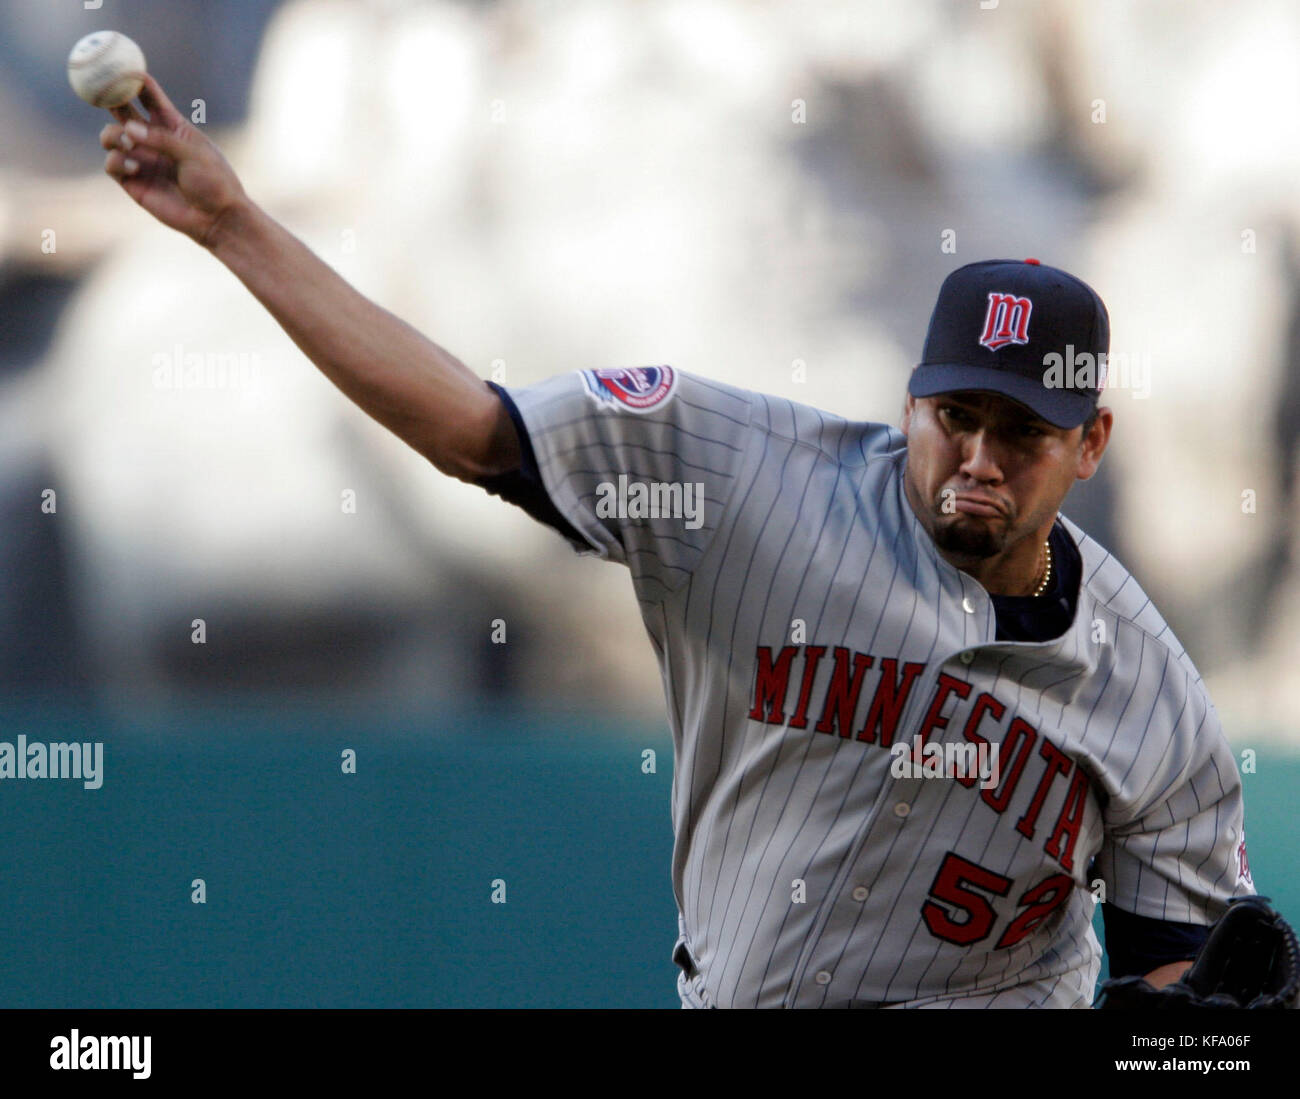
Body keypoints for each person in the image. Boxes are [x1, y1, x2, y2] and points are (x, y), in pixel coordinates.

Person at [98, 76, 1254, 1008]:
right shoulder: (737, 478)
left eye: (1022, 434)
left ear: (1091, 442)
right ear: (912, 402)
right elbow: (469, 426)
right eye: (957, 418)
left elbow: (1174, 970)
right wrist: (232, 225)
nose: (978, 461)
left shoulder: (1148, 696)